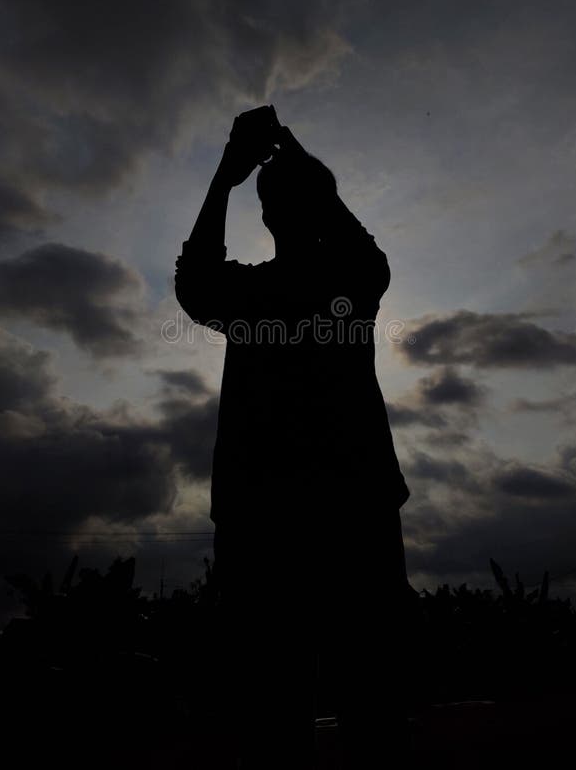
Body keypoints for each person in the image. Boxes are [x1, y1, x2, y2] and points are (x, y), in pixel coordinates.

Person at [175, 106, 412, 769]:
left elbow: (194, 277)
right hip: (351, 507)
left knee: (273, 703)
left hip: (264, 514)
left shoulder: (251, 296)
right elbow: (361, 246)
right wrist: (293, 155)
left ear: (266, 218)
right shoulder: (351, 285)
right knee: (371, 698)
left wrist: (227, 177)